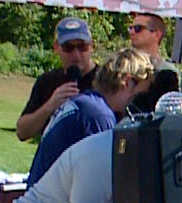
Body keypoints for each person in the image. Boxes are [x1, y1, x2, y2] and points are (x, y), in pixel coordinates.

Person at [26, 48, 152, 185]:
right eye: (139, 94)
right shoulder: (98, 115)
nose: (137, 102)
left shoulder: (86, 104)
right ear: (127, 82)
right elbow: (101, 183)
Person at [16, 17, 99, 142]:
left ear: (91, 45)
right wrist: (50, 105)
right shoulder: (47, 81)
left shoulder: (106, 80)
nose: (76, 55)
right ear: (56, 47)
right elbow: (22, 132)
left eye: (82, 47)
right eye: (68, 48)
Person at [123, 11, 182, 114]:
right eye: (130, 28)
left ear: (156, 35)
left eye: (138, 29)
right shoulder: (124, 65)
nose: (131, 32)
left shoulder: (167, 73)